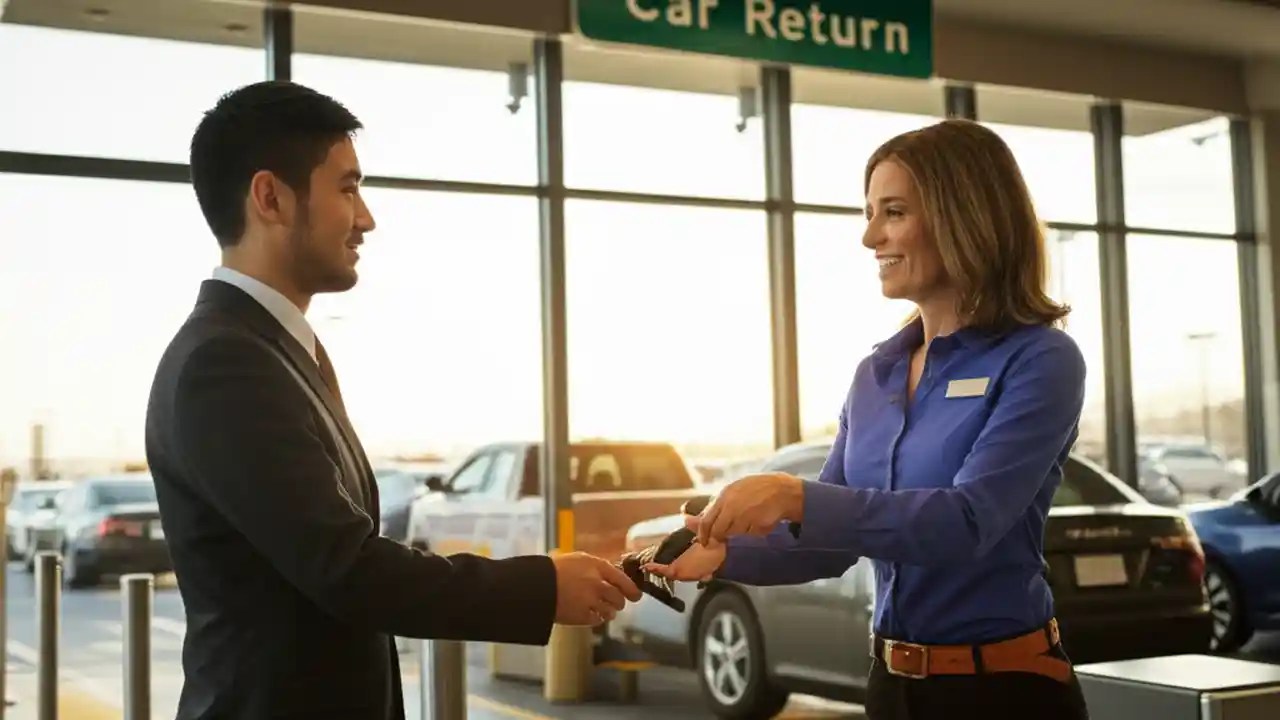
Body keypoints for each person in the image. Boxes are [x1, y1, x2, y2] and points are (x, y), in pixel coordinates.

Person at [144, 80, 641, 720]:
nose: (366, 217)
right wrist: (541, 587)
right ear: (270, 197)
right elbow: (346, 568)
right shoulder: (225, 364)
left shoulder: (281, 350)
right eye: (347, 188)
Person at [646, 119, 1091, 720]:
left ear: (965, 217)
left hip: (1004, 691)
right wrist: (721, 556)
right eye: (869, 212)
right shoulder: (875, 376)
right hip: (890, 687)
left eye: (894, 211)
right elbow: (828, 546)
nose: (870, 237)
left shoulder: (1041, 360)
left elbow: (965, 523)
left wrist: (793, 495)